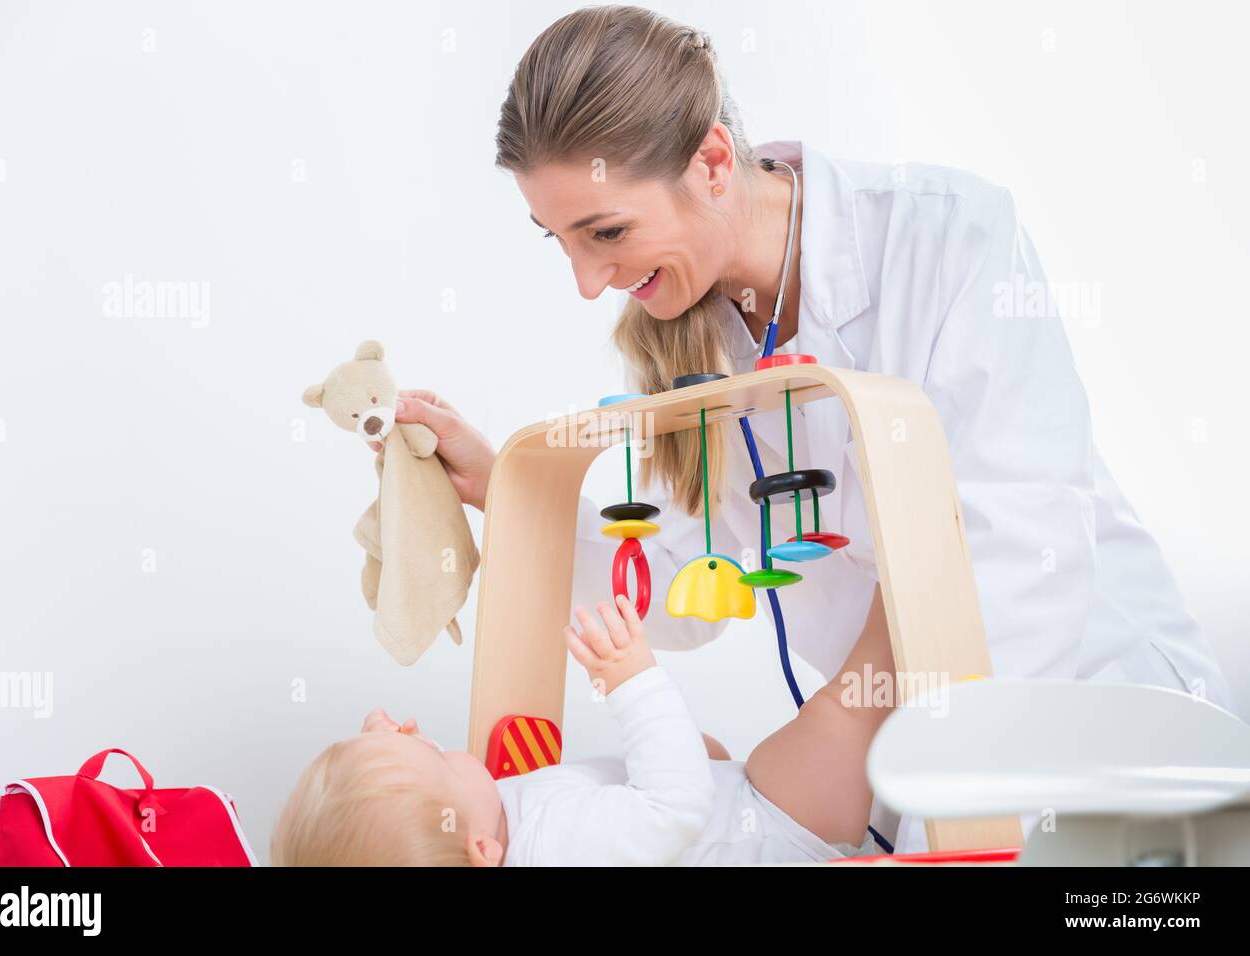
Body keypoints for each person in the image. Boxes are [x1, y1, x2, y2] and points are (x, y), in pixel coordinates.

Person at [395, 5, 1234, 853]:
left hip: (1094, 736)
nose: (588, 283)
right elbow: (689, 592)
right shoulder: (689, 331)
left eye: (606, 232)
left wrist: (945, 829)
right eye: (560, 241)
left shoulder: (949, 239)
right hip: (894, 780)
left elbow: (1016, 566)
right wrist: (514, 492)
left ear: (714, 162)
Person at [271, 594, 895, 865]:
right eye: (437, 755)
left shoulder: (481, 830)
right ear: (483, 853)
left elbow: (386, 819)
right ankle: (916, 575)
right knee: (848, 705)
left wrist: (386, 753)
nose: (423, 733)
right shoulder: (559, 850)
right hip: (781, 823)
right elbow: (672, 806)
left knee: (700, 756)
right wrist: (632, 681)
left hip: (728, 801)